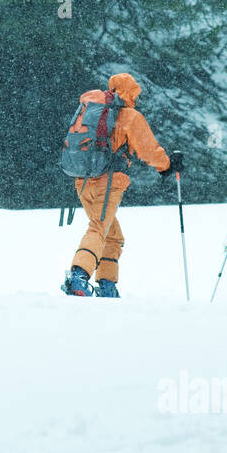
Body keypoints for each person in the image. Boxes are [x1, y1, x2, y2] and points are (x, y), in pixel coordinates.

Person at [60, 73, 180, 298]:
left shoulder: (89, 110)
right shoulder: (128, 116)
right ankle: (78, 276)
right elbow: (148, 150)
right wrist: (166, 166)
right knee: (98, 227)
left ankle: (107, 285)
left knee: (112, 235)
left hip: (82, 178)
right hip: (108, 182)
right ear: (132, 93)